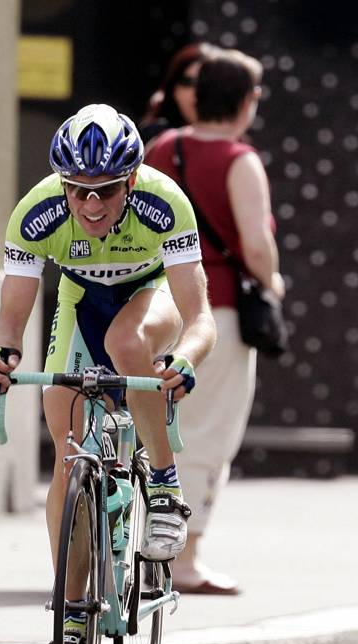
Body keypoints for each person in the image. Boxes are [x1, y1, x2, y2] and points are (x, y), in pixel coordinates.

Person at [0, 104, 217, 644]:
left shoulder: (165, 203)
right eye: (78, 191)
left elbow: (201, 318)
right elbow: (10, 320)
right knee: (67, 454)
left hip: (148, 294)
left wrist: (186, 359)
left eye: (107, 191)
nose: (91, 206)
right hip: (79, 302)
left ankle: (163, 489)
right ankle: (71, 626)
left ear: (131, 180)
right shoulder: (36, 213)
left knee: (127, 341)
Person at [145, 49, 284, 595]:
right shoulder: (239, 159)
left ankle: (146, 541)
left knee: (157, 428)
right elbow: (256, 243)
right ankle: (184, 559)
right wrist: (272, 282)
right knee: (207, 435)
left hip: (156, 306)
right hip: (216, 311)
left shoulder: (162, 148)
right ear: (245, 101)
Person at [139, 43, 216, 149]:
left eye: (206, 84)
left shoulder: (239, 141)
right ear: (174, 88)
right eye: (188, 82)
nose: (197, 92)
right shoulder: (154, 136)